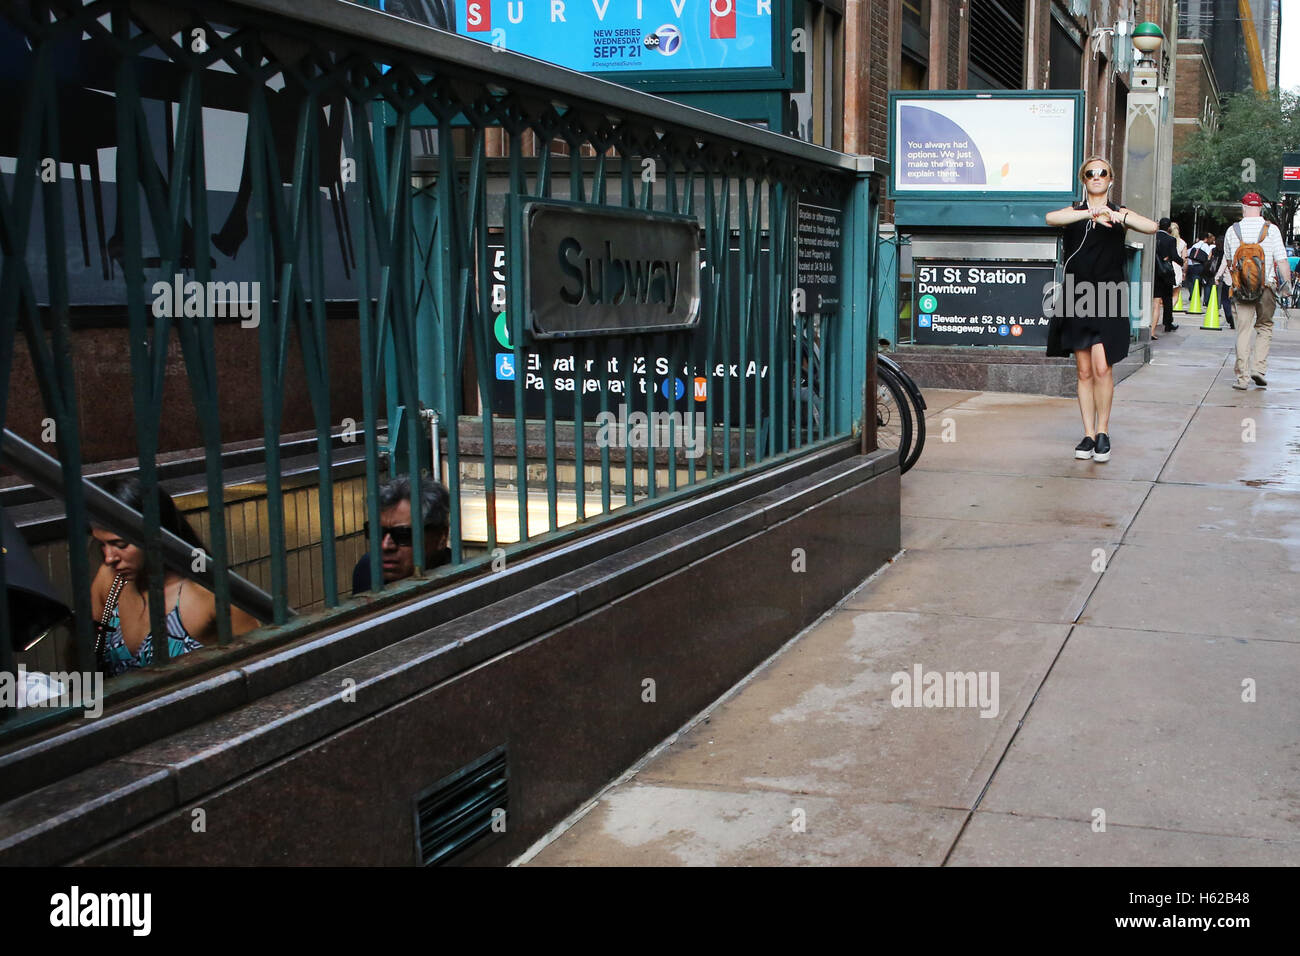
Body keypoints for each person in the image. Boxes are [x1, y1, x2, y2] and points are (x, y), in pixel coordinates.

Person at [1046, 156, 1158, 463]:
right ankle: (1087, 434)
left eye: (1102, 173)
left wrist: (1114, 215)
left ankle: (1103, 431)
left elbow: (1151, 227)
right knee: (1083, 371)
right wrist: (1087, 215)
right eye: (1090, 173)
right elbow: (1050, 218)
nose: (1096, 177)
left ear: (1110, 180)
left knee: (1102, 367)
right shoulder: (1074, 212)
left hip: (1108, 296)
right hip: (1076, 295)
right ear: (1084, 180)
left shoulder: (1120, 211)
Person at [90, 477, 261, 677]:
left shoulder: (207, 591)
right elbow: (87, 650)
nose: (109, 558)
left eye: (120, 545)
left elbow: (256, 665)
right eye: (102, 544)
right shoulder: (110, 580)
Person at [1214, 192, 1293, 389]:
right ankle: (1259, 368)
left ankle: (1242, 378)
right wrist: (1287, 286)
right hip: (1266, 287)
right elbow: (1281, 260)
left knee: (1243, 330)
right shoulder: (1271, 230)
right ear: (1261, 208)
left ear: (1243, 207)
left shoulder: (1233, 231)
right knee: (1264, 326)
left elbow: (1230, 261)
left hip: (1241, 288)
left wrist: (1219, 276)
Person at [351, 475, 452, 594]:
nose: (385, 545)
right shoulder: (367, 570)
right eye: (377, 533)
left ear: (441, 537)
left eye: (403, 534)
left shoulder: (460, 580)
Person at [1151, 218, 1180, 339]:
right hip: (1165, 273)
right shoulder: (1171, 240)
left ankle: (1152, 326)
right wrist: (1182, 261)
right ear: (1169, 228)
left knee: (1156, 301)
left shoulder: (1152, 237)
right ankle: (1167, 323)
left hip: (1153, 271)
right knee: (1167, 299)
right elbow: (1174, 256)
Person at [1187, 232, 1214, 301]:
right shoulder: (1205, 246)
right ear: (1206, 238)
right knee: (1201, 282)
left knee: (1193, 282)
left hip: (1192, 265)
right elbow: (1209, 257)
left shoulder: (1195, 245)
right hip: (1200, 266)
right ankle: (1199, 298)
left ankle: (1193, 295)